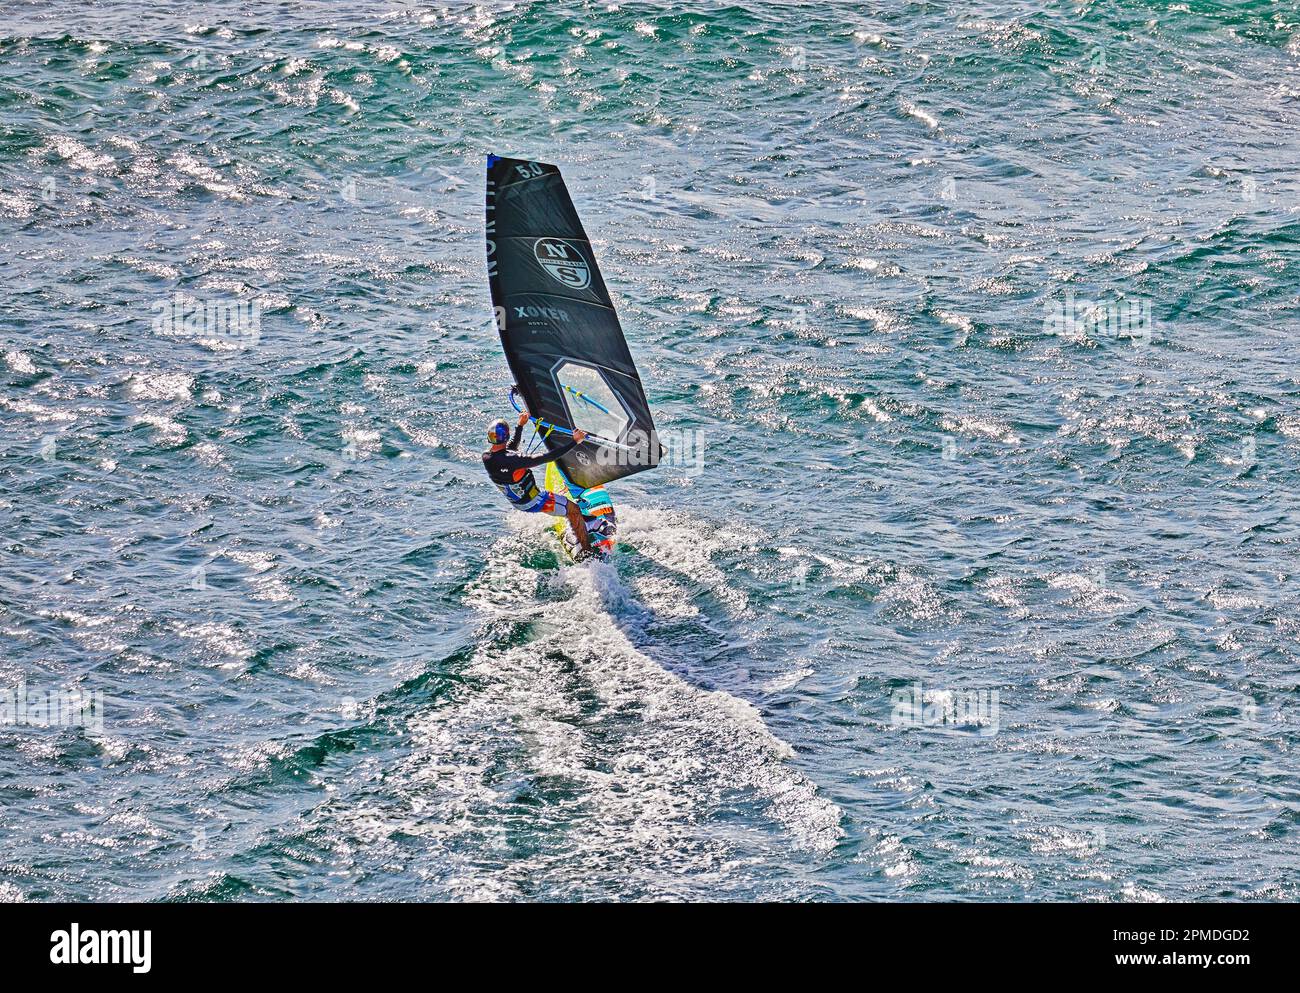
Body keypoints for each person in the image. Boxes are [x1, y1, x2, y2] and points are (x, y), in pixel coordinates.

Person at [482, 410, 594, 554]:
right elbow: (547, 457)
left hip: (518, 502)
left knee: (565, 504)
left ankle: (576, 523)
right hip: (535, 501)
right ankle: (587, 552)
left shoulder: (487, 457)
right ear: (506, 437)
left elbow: (509, 449)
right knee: (575, 510)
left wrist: (520, 426)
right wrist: (574, 441)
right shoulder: (513, 460)